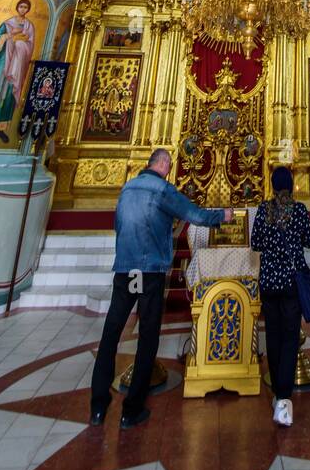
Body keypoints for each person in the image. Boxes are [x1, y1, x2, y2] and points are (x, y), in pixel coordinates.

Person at [90, 149, 233, 427]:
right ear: (165, 165)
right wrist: (222, 216)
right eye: (169, 165)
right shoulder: (162, 190)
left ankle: (97, 406)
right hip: (149, 270)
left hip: (125, 270)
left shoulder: (127, 188)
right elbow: (194, 214)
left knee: (111, 332)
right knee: (148, 336)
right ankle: (131, 410)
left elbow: (118, 224)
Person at [251, 166, 310, 428]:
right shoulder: (299, 211)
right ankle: (284, 398)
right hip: (290, 283)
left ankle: (278, 391)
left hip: (268, 283)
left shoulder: (264, 211)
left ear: (272, 185)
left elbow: (255, 242)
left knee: (274, 337)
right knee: (290, 338)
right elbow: (309, 241)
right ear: (291, 185)